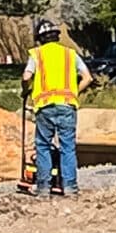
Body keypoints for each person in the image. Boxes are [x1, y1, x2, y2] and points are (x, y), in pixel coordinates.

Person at [22, 19, 90, 197]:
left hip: (45, 107)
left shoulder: (37, 54)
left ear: (40, 38)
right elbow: (87, 78)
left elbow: (26, 76)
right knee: (68, 147)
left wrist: (25, 91)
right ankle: (70, 188)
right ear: (56, 36)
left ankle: (43, 188)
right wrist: (73, 92)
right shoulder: (70, 54)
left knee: (43, 146)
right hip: (67, 105)